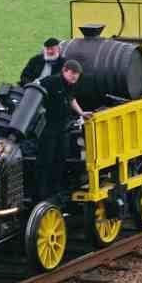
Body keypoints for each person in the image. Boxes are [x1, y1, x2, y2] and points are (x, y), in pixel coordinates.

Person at [33, 60, 92, 202]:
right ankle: (41, 195)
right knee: (46, 161)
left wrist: (81, 113)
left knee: (61, 159)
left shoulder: (70, 85)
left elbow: (71, 99)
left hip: (63, 128)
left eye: (76, 75)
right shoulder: (51, 81)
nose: (74, 78)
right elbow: (35, 88)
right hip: (49, 129)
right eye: (72, 74)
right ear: (65, 70)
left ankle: (55, 192)